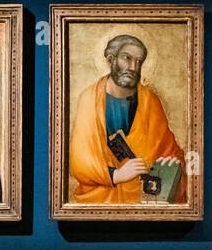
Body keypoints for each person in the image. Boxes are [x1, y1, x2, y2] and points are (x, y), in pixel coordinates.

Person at [67, 34, 187, 204]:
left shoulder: (150, 101)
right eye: (127, 58)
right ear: (111, 59)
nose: (133, 67)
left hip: (144, 196)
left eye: (138, 61)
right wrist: (115, 175)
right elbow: (79, 160)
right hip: (102, 199)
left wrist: (170, 163)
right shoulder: (89, 99)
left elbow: (168, 149)